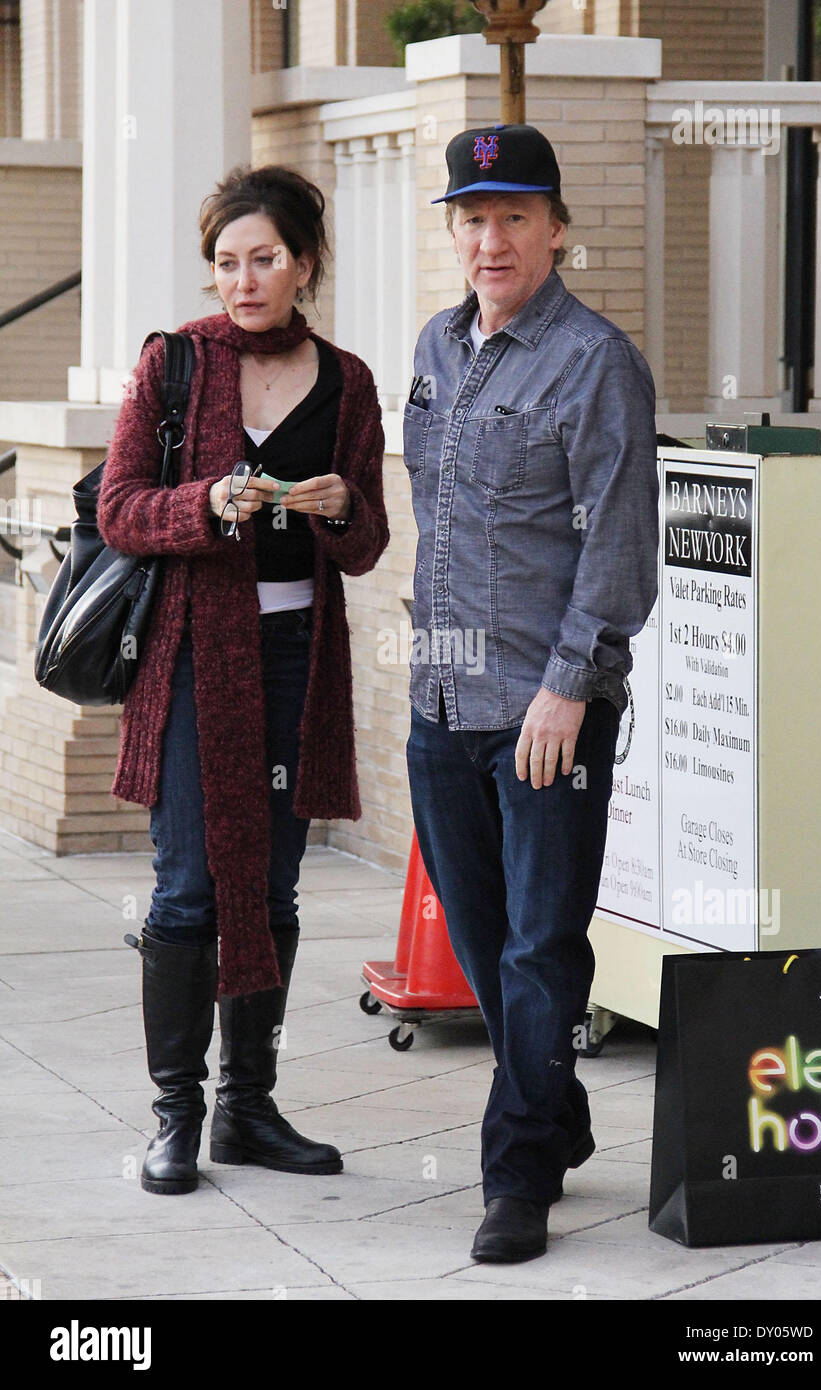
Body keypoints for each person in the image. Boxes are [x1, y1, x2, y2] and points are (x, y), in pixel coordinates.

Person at [98, 164, 388, 1195]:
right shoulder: (173, 363)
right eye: (226, 262)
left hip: (298, 660)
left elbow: (365, 544)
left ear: (304, 263)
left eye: (263, 259)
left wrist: (339, 505)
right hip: (189, 658)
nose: (243, 280)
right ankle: (174, 1114)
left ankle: (246, 1108)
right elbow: (120, 507)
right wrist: (206, 506)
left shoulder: (348, 381)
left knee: (271, 885)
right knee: (186, 891)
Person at [403, 124, 658, 1261]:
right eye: (472, 217)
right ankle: (554, 1112)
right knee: (484, 937)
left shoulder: (596, 361)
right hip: (441, 704)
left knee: (537, 950)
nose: (490, 238)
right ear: (452, 232)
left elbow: (618, 548)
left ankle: (516, 1176)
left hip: (547, 708)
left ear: (556, 229)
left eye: (513, 216)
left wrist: (567, 689)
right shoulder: (436, 346)